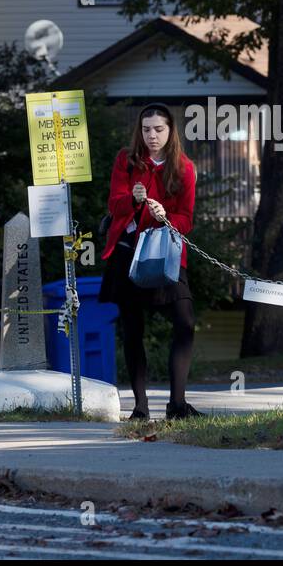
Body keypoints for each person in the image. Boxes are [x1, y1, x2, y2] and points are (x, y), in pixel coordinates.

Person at [98, 102, 203, 421]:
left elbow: (187, 219)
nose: (152, 136)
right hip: (129, 253)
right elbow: (114, 205)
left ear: (171, 131)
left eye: (158, 129)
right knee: (132, 328)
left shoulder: (184, 168)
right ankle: (140, 406)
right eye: (146, 130)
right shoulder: (126, 161)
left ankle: (177, 405)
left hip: (167, 254)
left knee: (185, 322)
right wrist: (133, 199)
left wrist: (165, 216)